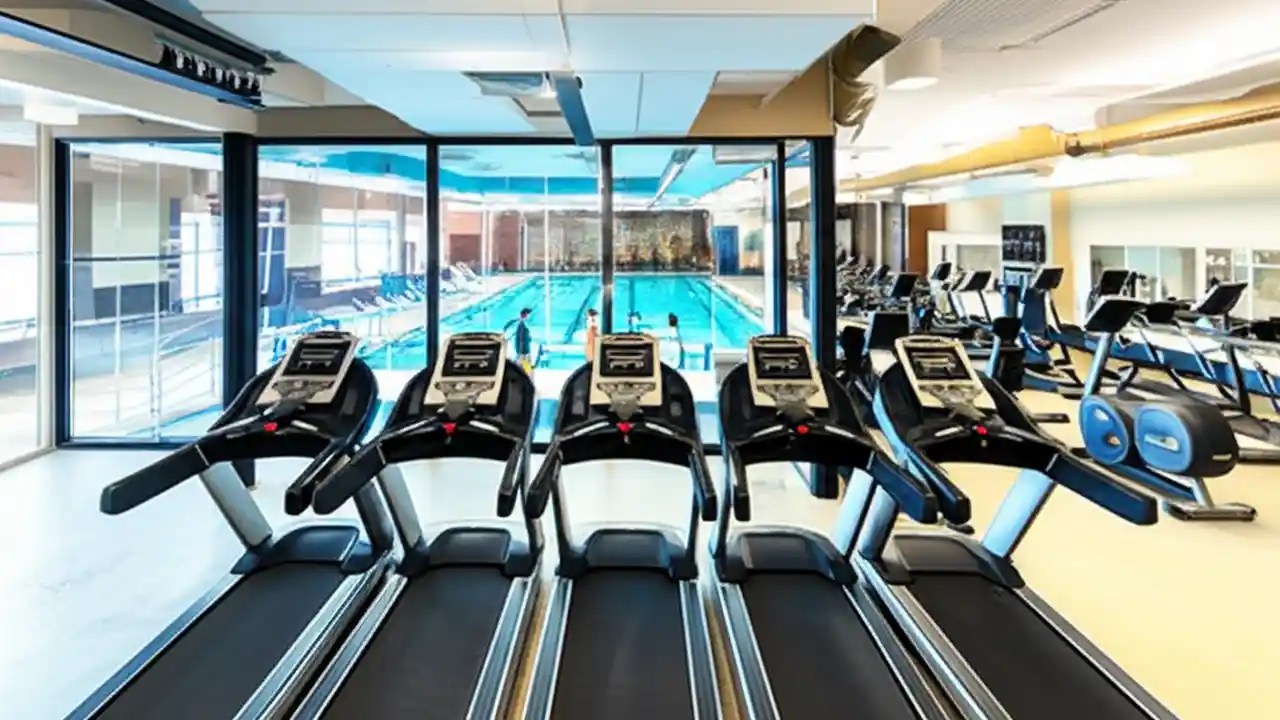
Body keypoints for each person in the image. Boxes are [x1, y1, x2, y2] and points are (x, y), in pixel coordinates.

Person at [515, 308, 533, 373]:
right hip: (524, 353)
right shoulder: (521, 326)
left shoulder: (523, 325)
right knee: (527, 372)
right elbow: (521, 340)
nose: (529, 316)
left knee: (527, 371)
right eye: (528, 314)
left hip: (524, 352)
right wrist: (520, 353)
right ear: (525, 315)